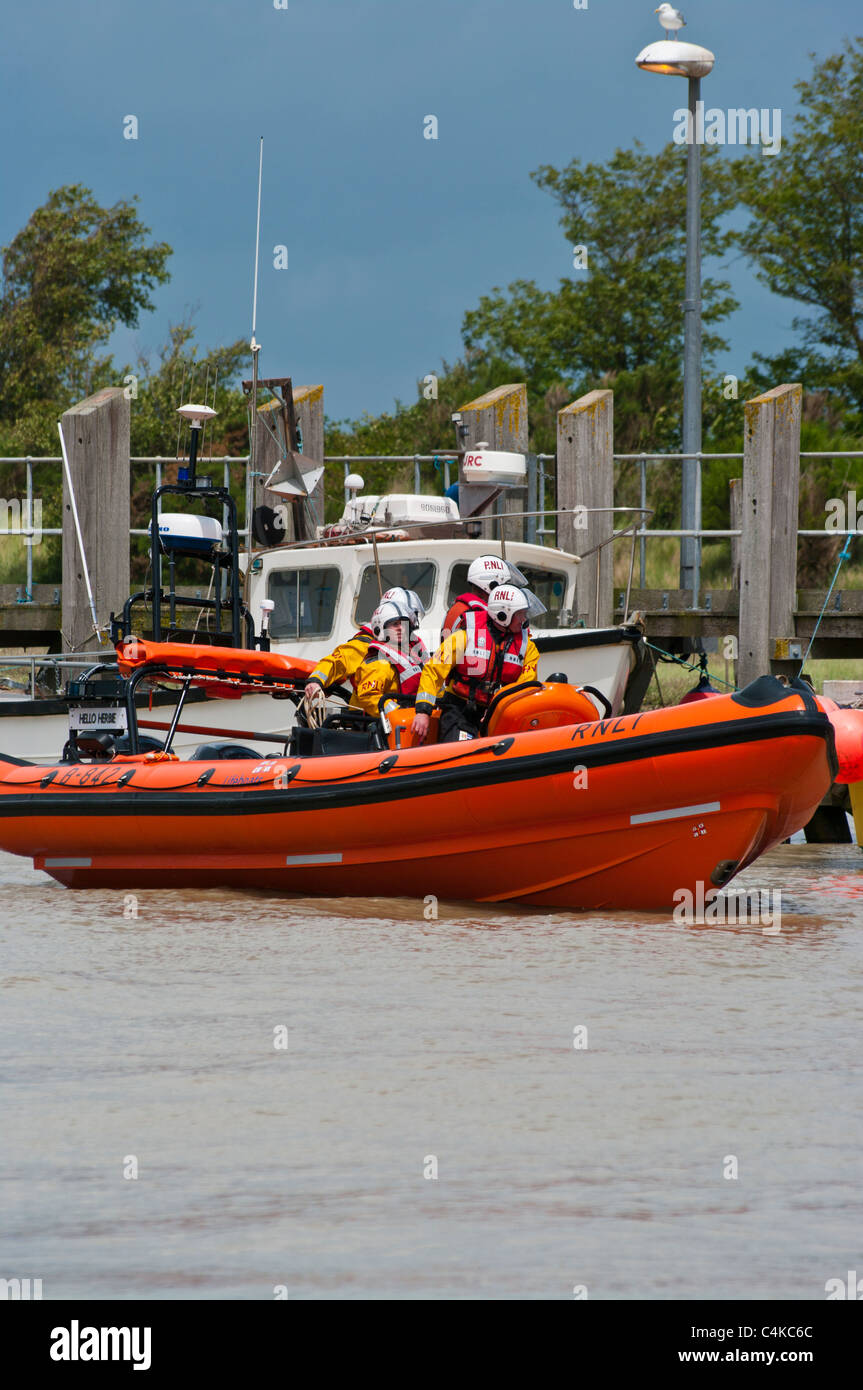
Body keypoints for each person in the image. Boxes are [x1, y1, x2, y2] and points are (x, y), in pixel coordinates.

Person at [411, 585, 542, 743]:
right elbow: (433, 671)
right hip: (460, 711)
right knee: (457, 755)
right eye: (520, 614)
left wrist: (499, 709)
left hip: (499, 715)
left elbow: (525, 686)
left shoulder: (527, 648)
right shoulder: (464, 636)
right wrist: (423, 711)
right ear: (503, 614)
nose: (524, 620)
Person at [302, 593, 428, 723]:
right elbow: (336, 662)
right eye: (397, 622)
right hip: (370, 718)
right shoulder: (364, 645)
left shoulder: (407, 645)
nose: (407, 624)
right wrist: (316, 681)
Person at [442, 555, 529, 638]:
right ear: (492, 585)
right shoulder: (477, 616)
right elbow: (483, 649)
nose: (506, 590)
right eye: (504, 585)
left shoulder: (458, 608)